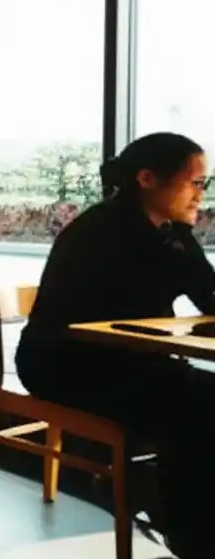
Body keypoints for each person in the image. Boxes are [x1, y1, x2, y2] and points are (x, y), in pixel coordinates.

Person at [15, 132, 215, 557]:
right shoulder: (98, 232)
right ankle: (190, 533)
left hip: (132, 362)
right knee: (197, 407)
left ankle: (185, 520)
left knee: (201, 400)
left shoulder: (172, 234)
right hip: (65, 363)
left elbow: (209, 295)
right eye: (196, 182)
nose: (202, 194)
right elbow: (98, 322)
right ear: (147, 178)